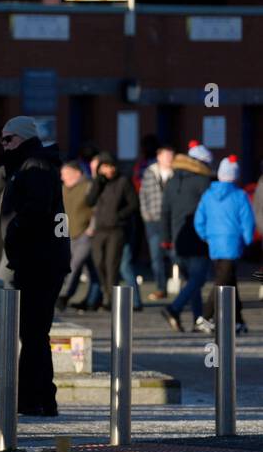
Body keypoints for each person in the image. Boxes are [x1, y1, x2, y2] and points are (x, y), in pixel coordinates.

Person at [0, 116, 70, 417]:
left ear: (24, 139)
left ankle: (35, 399)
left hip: (40, 262)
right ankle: (37, 397)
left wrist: (14, 229)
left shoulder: (35, 166)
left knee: (34, 332)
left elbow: (36, 212)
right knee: (34, 333)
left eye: (9, 139)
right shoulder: (29, 165)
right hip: (36, 260)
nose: (4, 146)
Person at [194, 156, 254, 335]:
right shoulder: (239, 195)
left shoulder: (208, 195)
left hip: (214, 243)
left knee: (229, 280)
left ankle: (238, 320)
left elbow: (199, 220)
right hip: (232, 242)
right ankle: (205, 316)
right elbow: (247, 221)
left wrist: (207, 236)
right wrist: (247, 240)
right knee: (222, 281)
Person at [160, 141, 216, 332]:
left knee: (192, 282)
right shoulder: (204, 181)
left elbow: (165, 211)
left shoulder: (172, 179)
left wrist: (166, 238)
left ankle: (198, 319)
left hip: (177, 239)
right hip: (199, 238)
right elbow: (210, 211)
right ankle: (173, 308)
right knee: (198, 280)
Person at [86, 152, 139, 310]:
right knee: (98, 262)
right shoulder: (98, 182)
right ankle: (106, 292)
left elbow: (133, 204)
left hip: (116, 230)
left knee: (112, 265)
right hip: (99, 229)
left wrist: (119, 216)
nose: (109, 170)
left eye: (111, 166)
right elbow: (89, 201)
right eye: (105, 167)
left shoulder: (123, 181)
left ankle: (110, 299)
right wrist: (98, 183)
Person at [57, 160, 102, 312]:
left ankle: (64, 296)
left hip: (85, 234)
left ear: (77, 173)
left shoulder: (88, 186)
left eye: (66, 174)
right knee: (91, 270)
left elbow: (96, 209)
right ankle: (93, 299)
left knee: (74, 265)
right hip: (68, 234)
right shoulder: (62, 189)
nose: (63, 178)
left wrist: (92, 228)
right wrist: (60, 233)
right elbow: (60, 212)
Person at [139, 144, 176, 302]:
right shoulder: (149, 172)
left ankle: (180, 283)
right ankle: (161, 288)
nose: (169, 159)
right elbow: (143, 194)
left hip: (171, 220)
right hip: (153, 220)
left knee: (175, 254)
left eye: (171, 156)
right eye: (166, 156)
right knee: (156, 256)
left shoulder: (176, 174)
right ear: (159, 156)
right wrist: (146, 215)